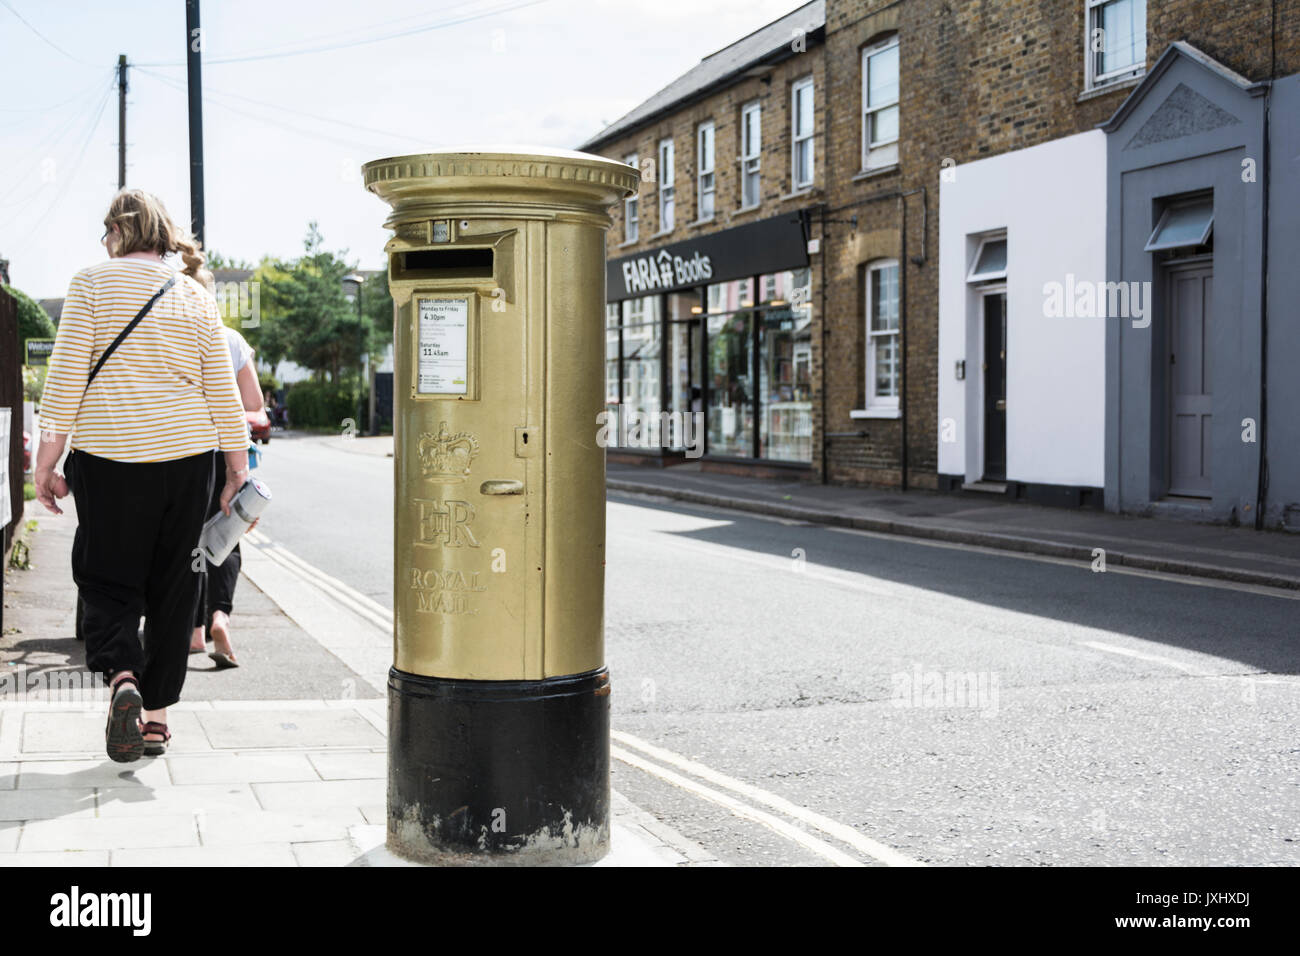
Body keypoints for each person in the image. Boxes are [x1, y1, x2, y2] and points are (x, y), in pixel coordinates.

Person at [32, 188, 249, 763]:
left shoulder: (90, 284)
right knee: (176, 585)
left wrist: (46, 462)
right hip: (187, 462)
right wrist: (235, 468)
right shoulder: (195, 297)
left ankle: (123, 678)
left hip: (108, 461)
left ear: (116, 231)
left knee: (106, 576)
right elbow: (223, 392)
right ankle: (155, 722)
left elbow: (66, 378)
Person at [189, 324, 267, 666]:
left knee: (187, 538)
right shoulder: (230, 338)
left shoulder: (166, 324)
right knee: (225, 537)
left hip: (184, 450)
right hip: (229, 451)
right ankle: (220, 616)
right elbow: (254, 403)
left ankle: (193, 629)